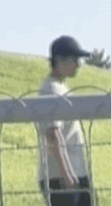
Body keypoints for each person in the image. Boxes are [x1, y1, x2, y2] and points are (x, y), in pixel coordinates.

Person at [37, 35, 94, 206]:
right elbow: (53, 133)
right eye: (74, 58)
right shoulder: (51, 90)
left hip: (74, 173)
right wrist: (67, 174)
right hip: (61, 178)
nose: (78, 64)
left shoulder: (61, 88)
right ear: (59, 59)